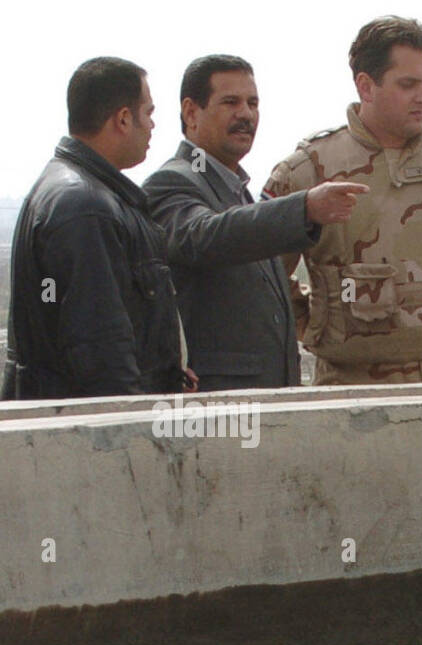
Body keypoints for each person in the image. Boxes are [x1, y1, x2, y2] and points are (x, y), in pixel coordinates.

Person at [261, 16, 422, 385]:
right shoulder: (308, 170)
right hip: (355, 384)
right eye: (408, 84)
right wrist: (318, 324)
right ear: (366, 86)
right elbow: (267, 274)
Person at [143, 55, 367, 392]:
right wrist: (302, 209)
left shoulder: (235, 190)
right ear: (191, 113)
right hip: (218, 406)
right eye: (230, 102)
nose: (246, 114)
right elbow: (204, 236)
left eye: (253, 103)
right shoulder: (172, 183)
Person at [2, 58, 185, 399]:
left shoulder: (80, 193)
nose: (153, 125)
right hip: (89, 434)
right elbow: (101, 347)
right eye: (148, 113)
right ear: (124, 119)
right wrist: (134, 426)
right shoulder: (86, 208)